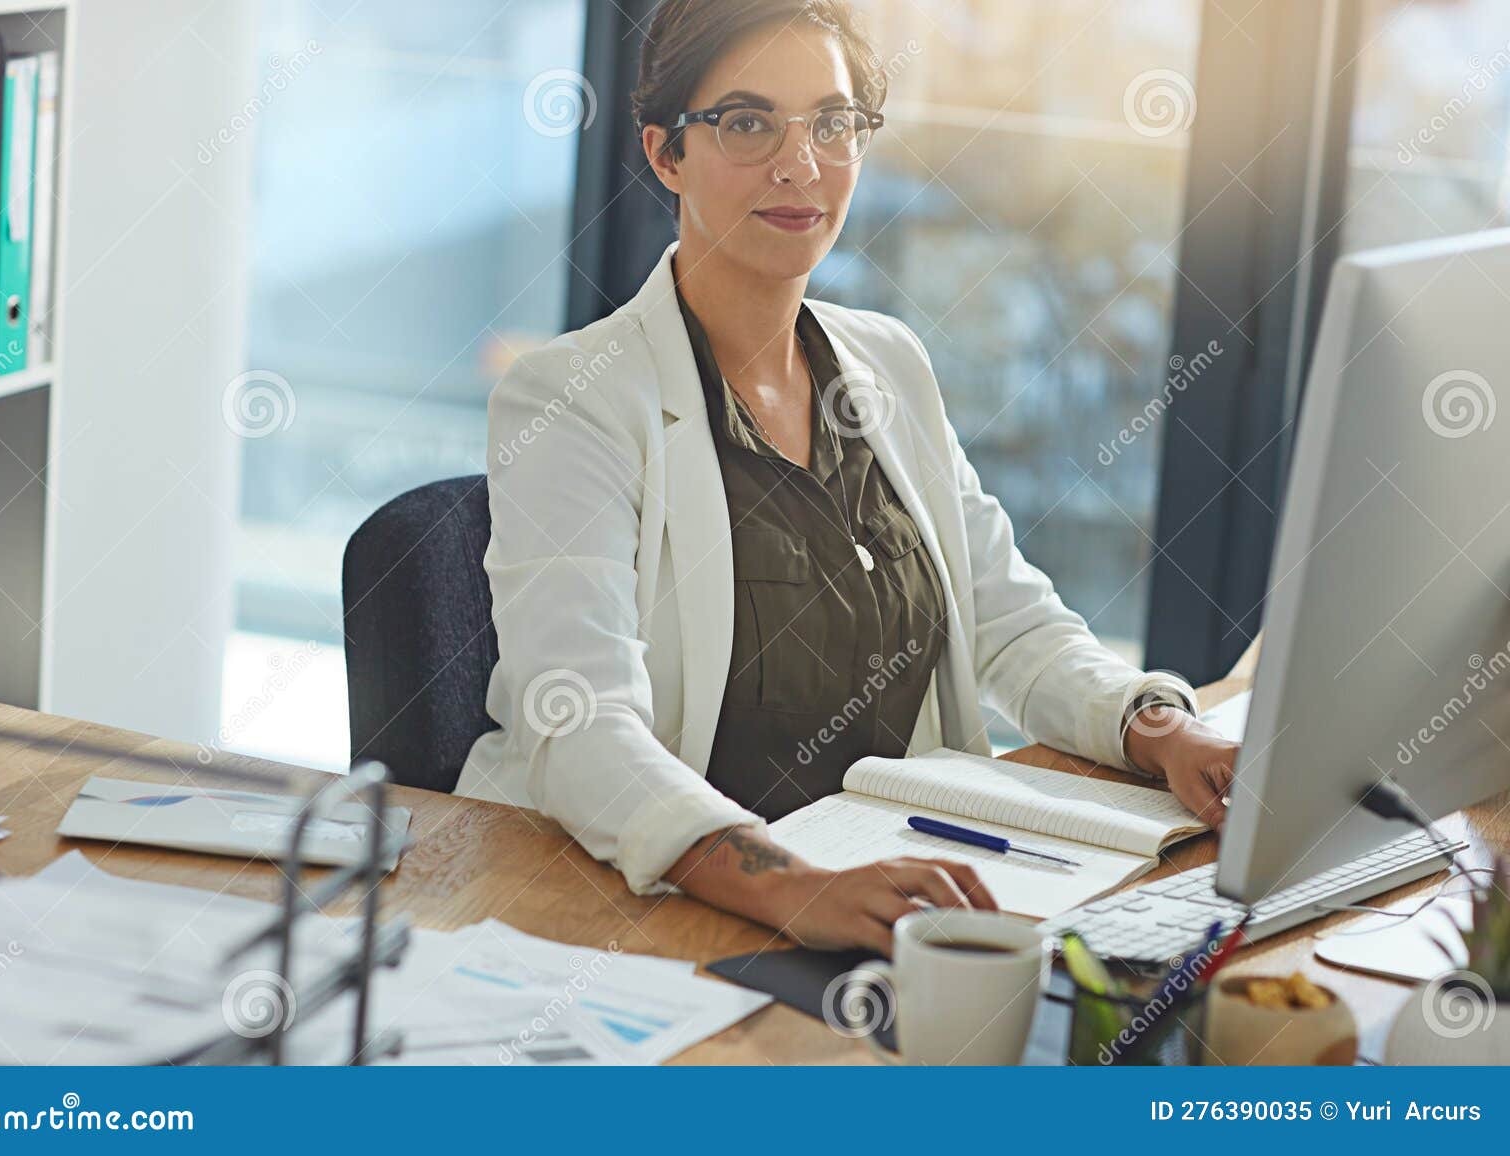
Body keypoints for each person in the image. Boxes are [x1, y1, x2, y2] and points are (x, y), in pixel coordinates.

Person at [458, 0, 1238, 954]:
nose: (800, 164)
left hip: (882, 880)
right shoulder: (571, 395)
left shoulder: (887, 364)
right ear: (666, 153)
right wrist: (792, 885)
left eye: (833, 124)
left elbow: (1008, 621)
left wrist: (1157, 727)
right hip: (636, 908)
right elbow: (577, 726)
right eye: (748, 123)